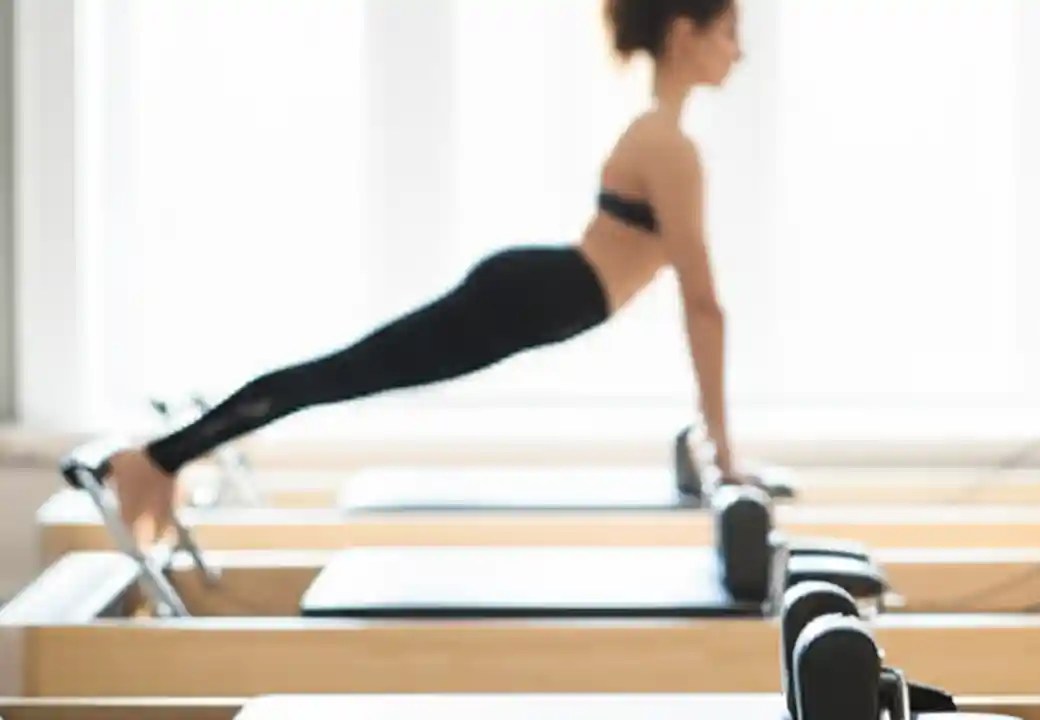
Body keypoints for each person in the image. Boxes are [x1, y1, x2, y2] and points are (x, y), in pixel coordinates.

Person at [105, 0, 748, 543]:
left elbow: (694, 302)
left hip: (533, 291)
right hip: (530, 296)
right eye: (728, 32)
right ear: (683, 35)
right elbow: (704, 306)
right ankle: (154, 459)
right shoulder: (671, 147)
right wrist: (725, 456)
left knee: (346, 372)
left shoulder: (659, 135)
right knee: (343, 373)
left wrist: (717, 449)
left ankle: (162, 457)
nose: (738, 53)